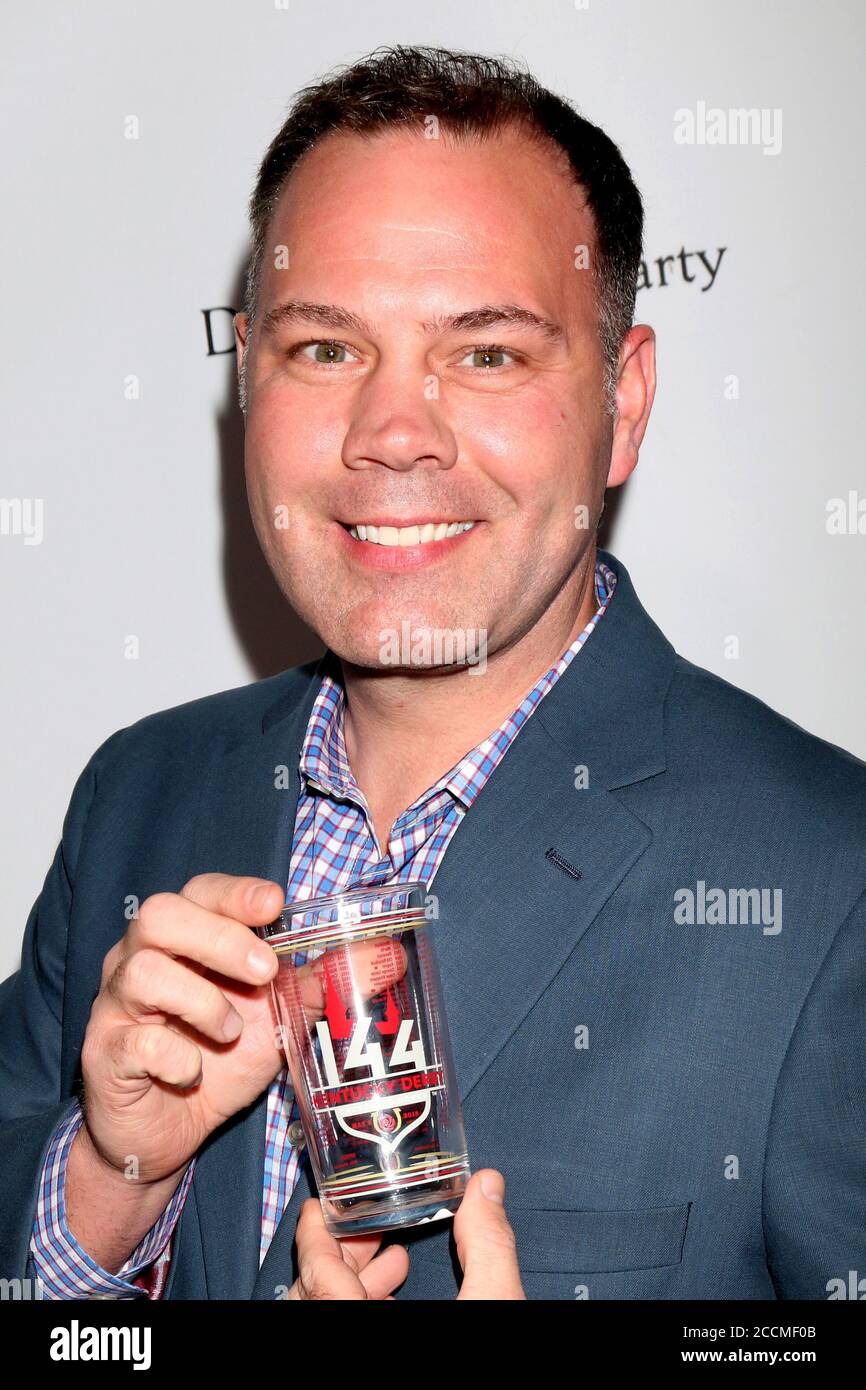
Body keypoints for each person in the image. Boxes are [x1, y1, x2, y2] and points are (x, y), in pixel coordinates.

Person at [1, 44, 864, 1302]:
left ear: (622, 405)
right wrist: (106, 1189)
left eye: (487, 353)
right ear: (246, 377)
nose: (392, 434)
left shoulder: (829, 880)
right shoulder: (138, 788)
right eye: (325, 350)